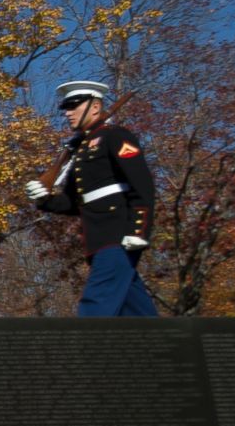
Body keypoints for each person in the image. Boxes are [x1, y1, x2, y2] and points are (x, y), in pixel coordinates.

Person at [24, 79, 156, 316]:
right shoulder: (81, 149)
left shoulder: (115, 136)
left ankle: (81, 352)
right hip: (97, 238)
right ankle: (169, 350)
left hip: (118, 235)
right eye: (66, 107)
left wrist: (138, 229)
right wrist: (44, 199)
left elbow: (141, 183)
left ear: (95, 107)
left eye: (74, 106)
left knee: (95, 307)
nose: (68, 113)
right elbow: (73, 202)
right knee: (136, 312)